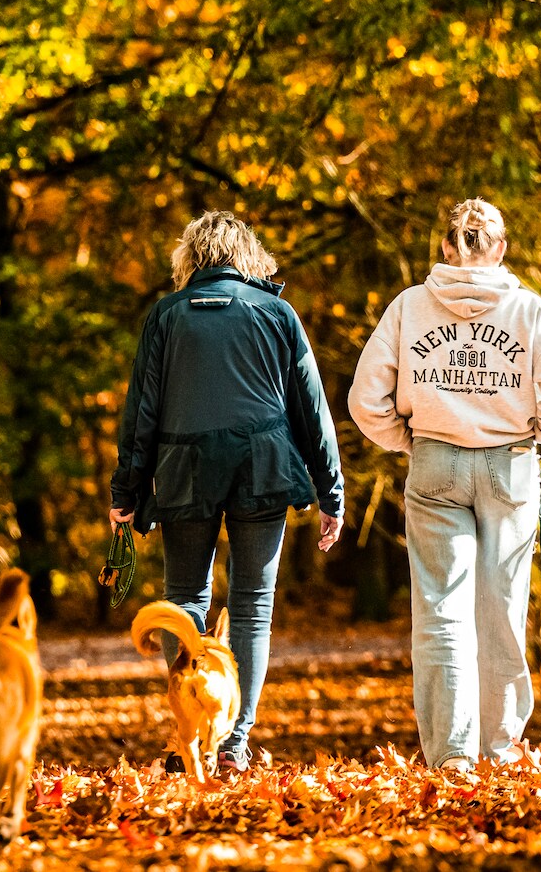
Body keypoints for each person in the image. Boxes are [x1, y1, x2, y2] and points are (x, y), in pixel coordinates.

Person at [347, 198, 541, 771]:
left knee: (440, 610)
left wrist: (411, 440)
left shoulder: (409, 308)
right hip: (511, 465)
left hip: (435, 464)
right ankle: (499, 750)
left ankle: (452, 754)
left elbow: (364, 399)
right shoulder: (528, 310)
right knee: (502, 609)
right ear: (500, 248)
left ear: (447, 247)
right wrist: (532, 434)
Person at [109, 210, 346, 773]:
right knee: (252, 605)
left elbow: (142, 411)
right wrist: (330, 492)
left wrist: (127, 490)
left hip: (184, 466)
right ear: (248, 257)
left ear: (191, 258)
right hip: (262, 466)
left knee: (185, 598)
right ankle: (235, 741)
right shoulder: (277, 313)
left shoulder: (166, 316)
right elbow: (312, 409)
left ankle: (192, 732)